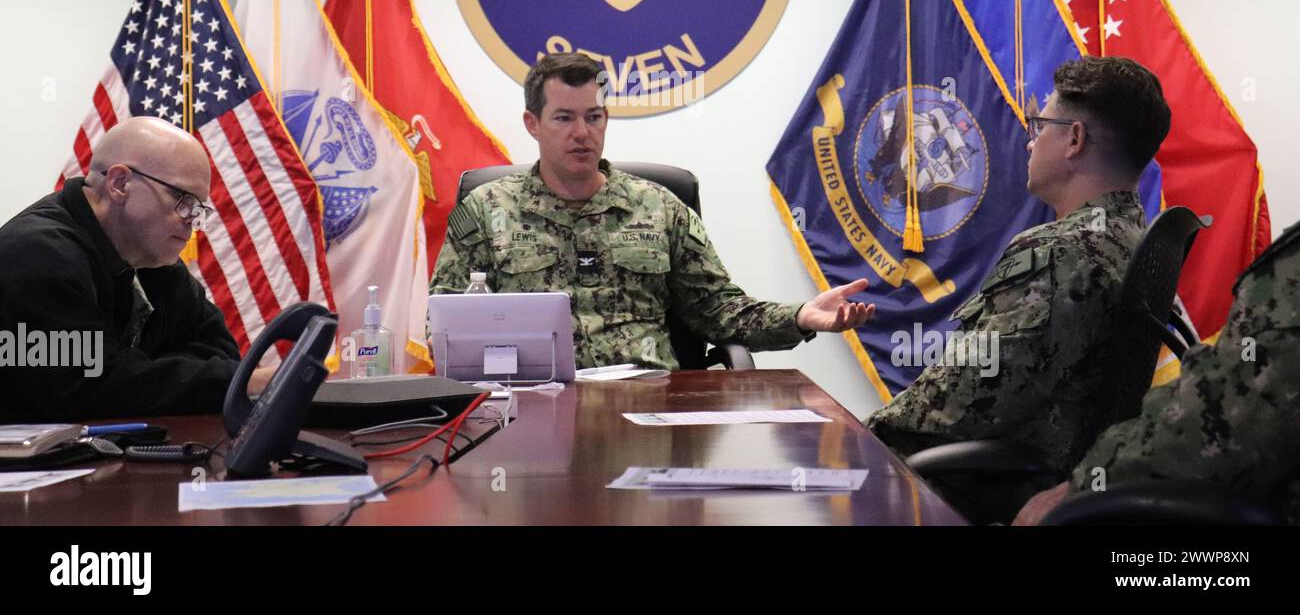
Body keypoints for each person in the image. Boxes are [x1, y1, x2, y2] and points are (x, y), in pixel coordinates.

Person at [429, 53, 874, 369]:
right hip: (530, 408)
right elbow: (445, 324)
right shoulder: (487, 210)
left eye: (595, 117)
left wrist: (800, 316)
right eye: (564, 118)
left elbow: (719, 311)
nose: (583, 133)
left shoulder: (659, 207)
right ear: (533, 124)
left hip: (647, 405)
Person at [865, 56, 1171, 516]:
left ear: (1074, 139)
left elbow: (959, 402)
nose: (1030, 141)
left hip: (978, 492)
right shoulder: (1130, 236)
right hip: (1053, 483)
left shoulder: (1063, 252)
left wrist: (857, 437)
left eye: (1039, 125)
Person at [1013, 218, 1300, 526]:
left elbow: (1225, 422)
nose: (1026, 165)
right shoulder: (1128, 234)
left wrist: (1085, 484)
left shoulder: (1058, 248)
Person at [0, 116, 272, 421]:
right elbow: (90, 391)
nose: (194, 221)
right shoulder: (37, 255)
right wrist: (244, 380)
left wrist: (135, 373)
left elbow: (219, 351)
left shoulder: (149, 255)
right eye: (182, 199)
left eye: (199, 209)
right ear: (119, 184)